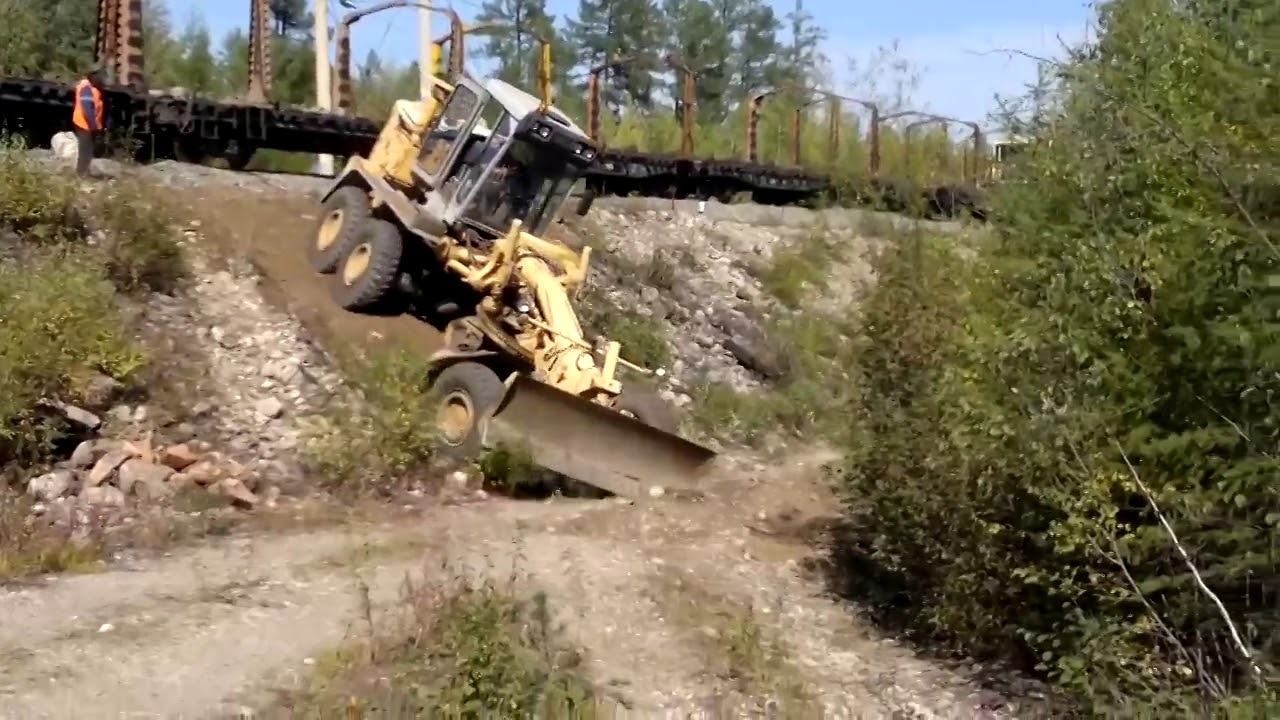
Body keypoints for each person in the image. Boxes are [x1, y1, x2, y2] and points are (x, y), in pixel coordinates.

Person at [71, 68, 105, 177]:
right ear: (92, 77)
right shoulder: (87, 88)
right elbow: (87, 109)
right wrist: (93, 125)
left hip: (86, 124)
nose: (102, 80)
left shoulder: (91, 87)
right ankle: (81, 174)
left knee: (87, 150)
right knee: (85, 151)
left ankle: (83, 172)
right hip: (85, 124)